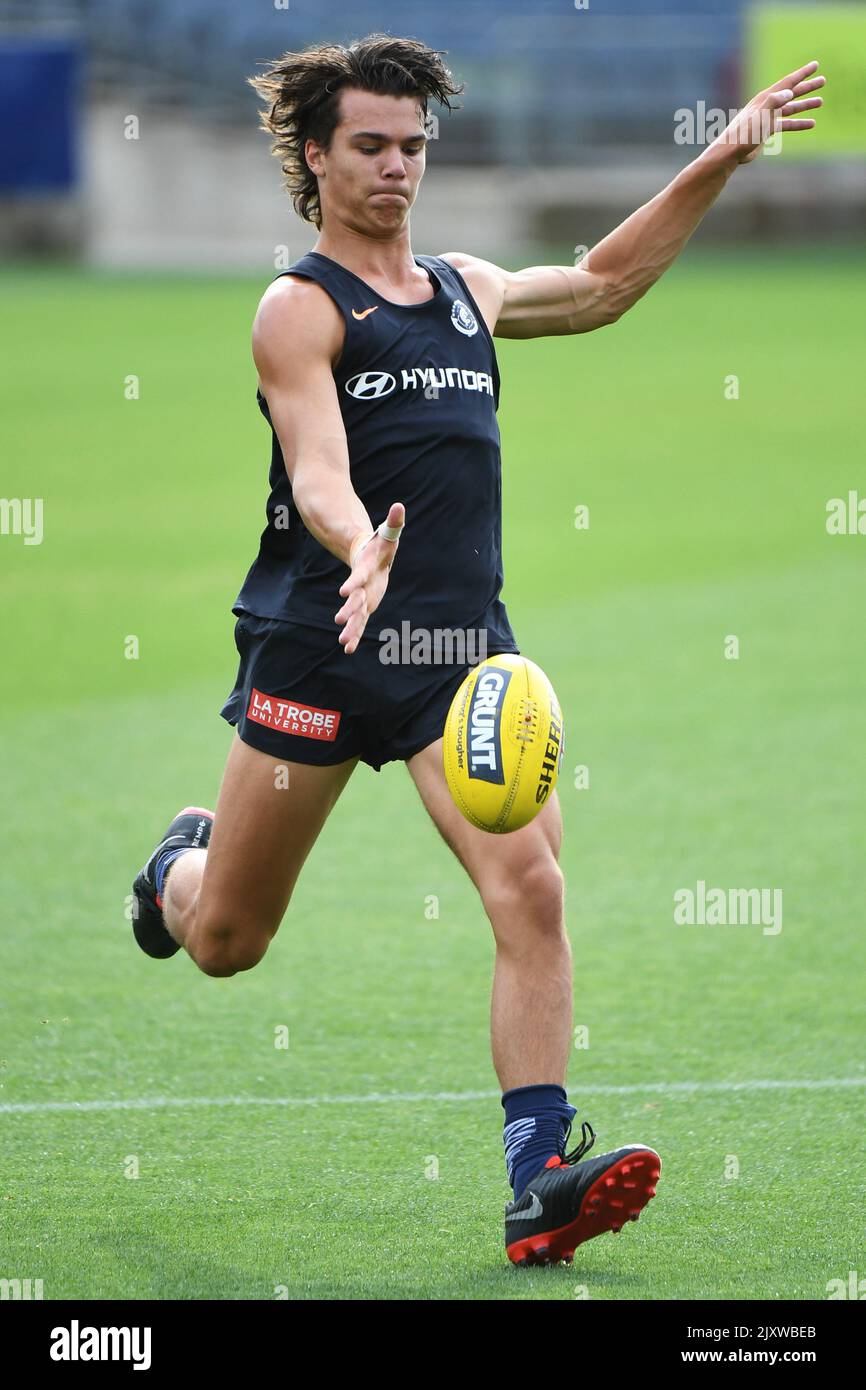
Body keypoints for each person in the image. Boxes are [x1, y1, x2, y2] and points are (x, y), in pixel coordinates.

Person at [131, 34, 823, 1266]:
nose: (397, 168)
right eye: (370, 147)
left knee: (533, 889)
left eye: (412, 146)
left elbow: (604, 285)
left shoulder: (464, 288)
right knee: (227, 941)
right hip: (322, 646)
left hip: (460, 659)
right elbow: (318, 471)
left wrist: (720, 156)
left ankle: (536, 1176)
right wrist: (359, 548)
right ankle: (177, 864)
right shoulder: (298, 308)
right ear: (313, 155)